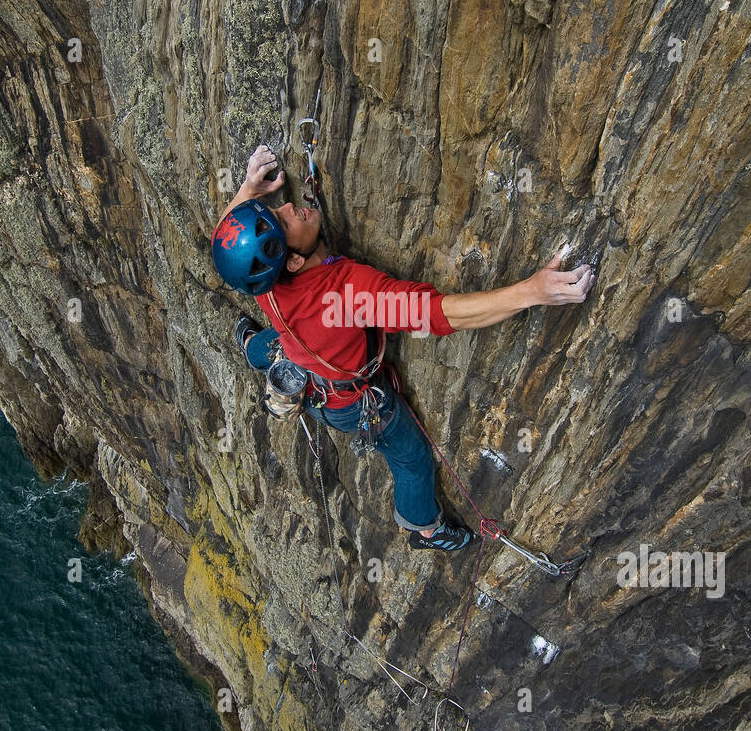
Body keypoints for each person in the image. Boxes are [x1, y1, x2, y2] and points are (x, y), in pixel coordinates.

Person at [212, 145, 594, 553]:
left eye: (277, 211)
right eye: (283, 221)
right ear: (288, 261)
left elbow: (227, 239)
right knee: (411, 459)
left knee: (274, 344)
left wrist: (248, 190)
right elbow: (441, 314)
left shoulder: (261, 281)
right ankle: (425, 528)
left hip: (301, 363)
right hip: (350, 405)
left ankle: (250, 343)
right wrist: (530, 292)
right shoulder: (345, 296)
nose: (288, 205)